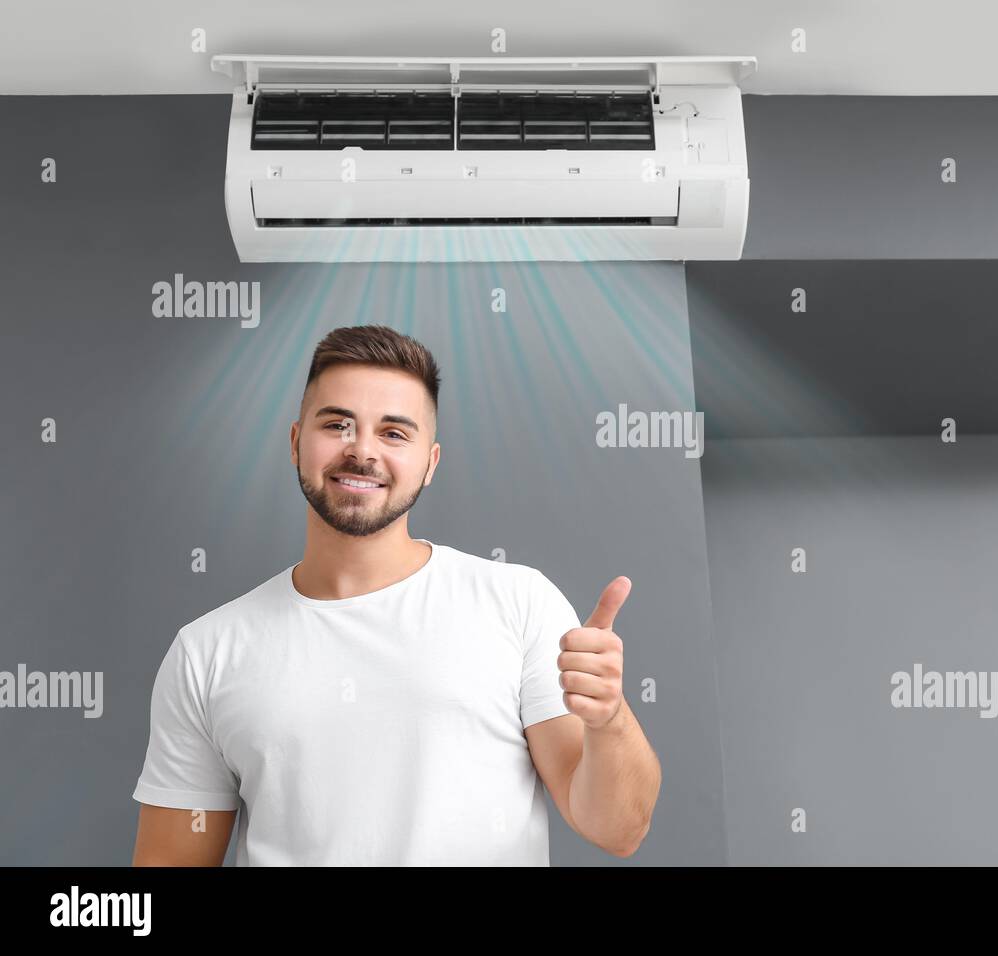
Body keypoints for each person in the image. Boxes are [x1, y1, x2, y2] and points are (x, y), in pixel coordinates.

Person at [130, 324, 660, 865]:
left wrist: (608, 719)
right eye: (338, 424)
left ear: (429, 464)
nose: (362, 451)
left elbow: (618, 830)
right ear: (296, 443)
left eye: (394, 433)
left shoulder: (519, 603)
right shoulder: (206, 652)